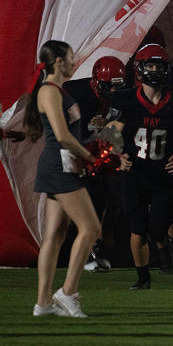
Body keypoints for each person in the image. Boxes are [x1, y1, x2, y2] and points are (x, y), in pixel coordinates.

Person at [25, 40, 118, 318]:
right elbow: (63, 136)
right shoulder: (49, 91)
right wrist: (92, 158)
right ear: (57, 62)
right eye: (70, 57)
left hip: (64, 164)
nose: (74, 61)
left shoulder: (59, 90)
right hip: (59, 166)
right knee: (91, 228)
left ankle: (43, 303)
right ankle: (68, 293)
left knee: (55, 235)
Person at [110, 43, 173, 290]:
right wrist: (118, 156)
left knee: (159, 228)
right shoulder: (127, 99)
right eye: (150, 65)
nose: (155, 70)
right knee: (137, 226)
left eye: (159, 65)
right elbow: (112, 134)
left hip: (163, 173)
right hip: (135, 172)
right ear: (140, 69)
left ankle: (162, 246)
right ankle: (143, 278)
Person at [63, 55, 127, 271]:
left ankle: (97, 249)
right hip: (75, 156)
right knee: (74, 211)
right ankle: (77, 254)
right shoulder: (74, 93)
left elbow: (123, 120)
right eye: (109, 86)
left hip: (103, 157)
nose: (114, 92)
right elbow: (62, 126)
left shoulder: (119, 96)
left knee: (108, 202)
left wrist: (106, 124)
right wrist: (85, 124)